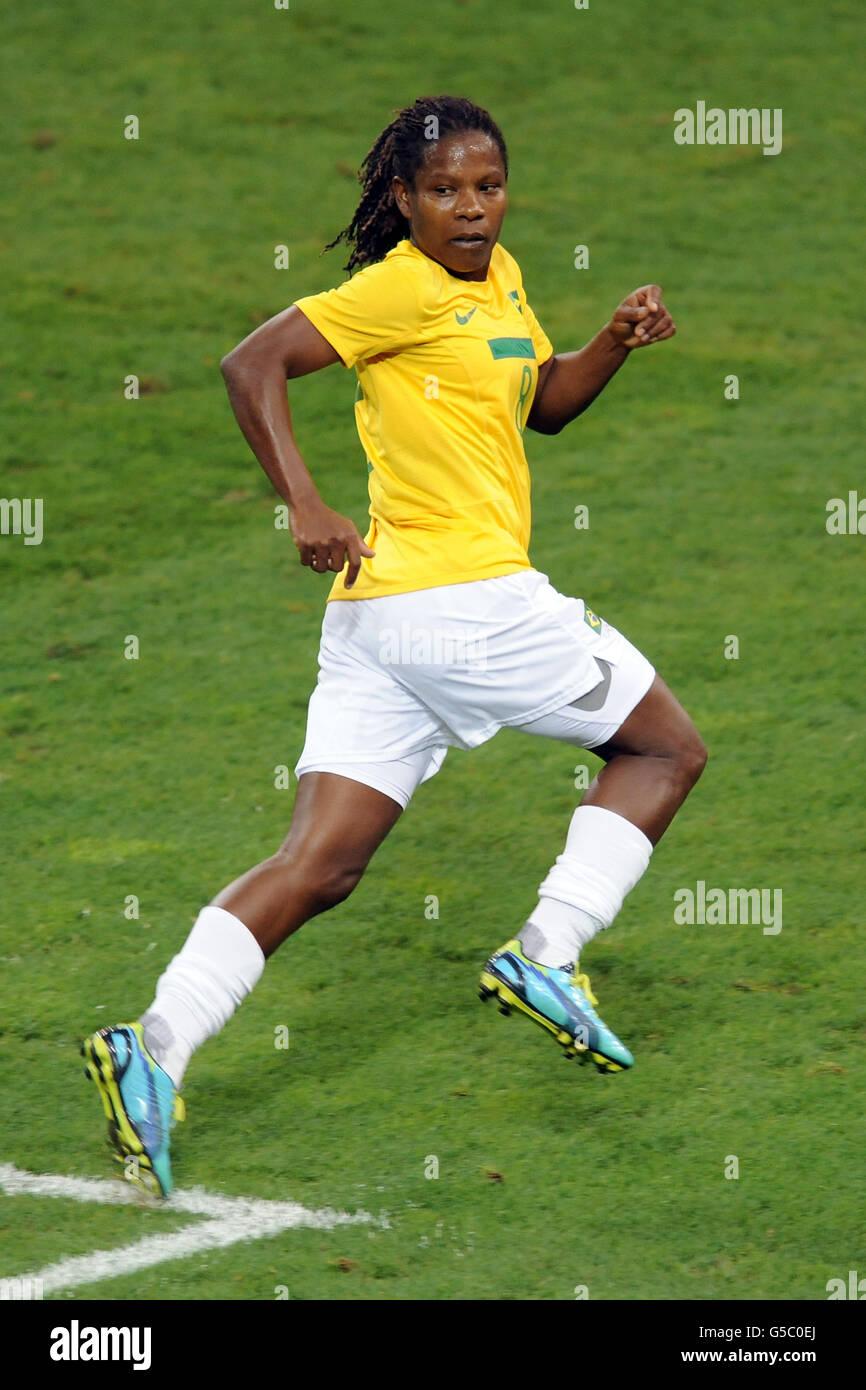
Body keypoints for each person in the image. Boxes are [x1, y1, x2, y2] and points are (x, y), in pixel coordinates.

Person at [82, 95, 706, 1198]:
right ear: (403, 201)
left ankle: (155, 1043)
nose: (471, 208)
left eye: (487, 186)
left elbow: (539, 406)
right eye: (446, 192)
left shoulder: (498, 276)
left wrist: (607, 343)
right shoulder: (395, 290)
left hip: (381, 626)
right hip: (467, 604)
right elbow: (249, 364)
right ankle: (545, 952)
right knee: (662, 750)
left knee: (319, 865)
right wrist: (303, 504)